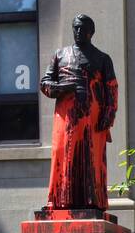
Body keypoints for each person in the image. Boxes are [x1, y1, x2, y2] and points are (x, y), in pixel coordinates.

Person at [41, 14, 118, 210]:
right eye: (75, 28)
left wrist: (107, 116)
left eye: (82, 29)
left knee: (91, 160)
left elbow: (111, 89)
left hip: (92, 119)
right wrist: (64, 87)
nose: (78, 32)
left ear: (91, 32)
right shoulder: (60, 55)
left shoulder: (102, 58)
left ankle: (93, 201)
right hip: (65, 117)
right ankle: (59, 200)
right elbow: (45, 83)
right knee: (61, 154)